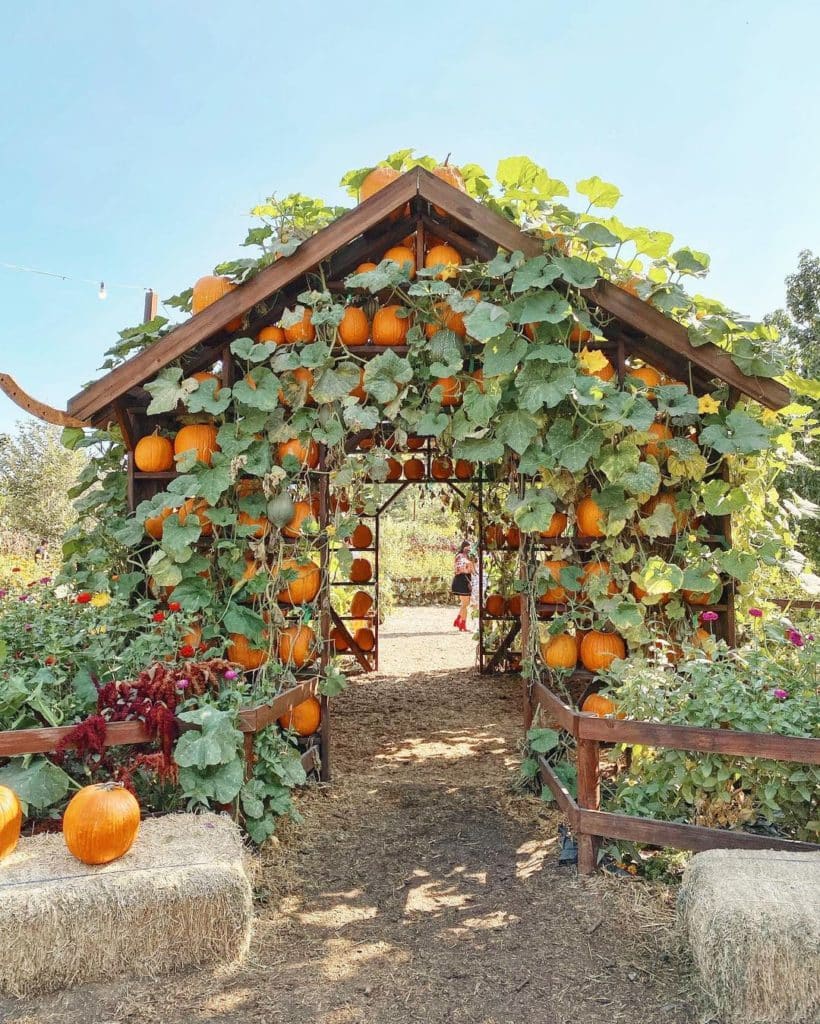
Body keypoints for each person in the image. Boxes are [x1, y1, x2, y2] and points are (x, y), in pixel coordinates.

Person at [451, 540, 474, 632]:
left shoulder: (467, 556)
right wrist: (469, 569)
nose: (469, 548)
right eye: (467, 547)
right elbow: (458, 569)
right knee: (465, 604)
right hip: (461, 580)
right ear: (463, 547)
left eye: (469, 547)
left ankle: (458, 620)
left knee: (465, 604)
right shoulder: (460, 556)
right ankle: (462, 624)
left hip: (465, 580)